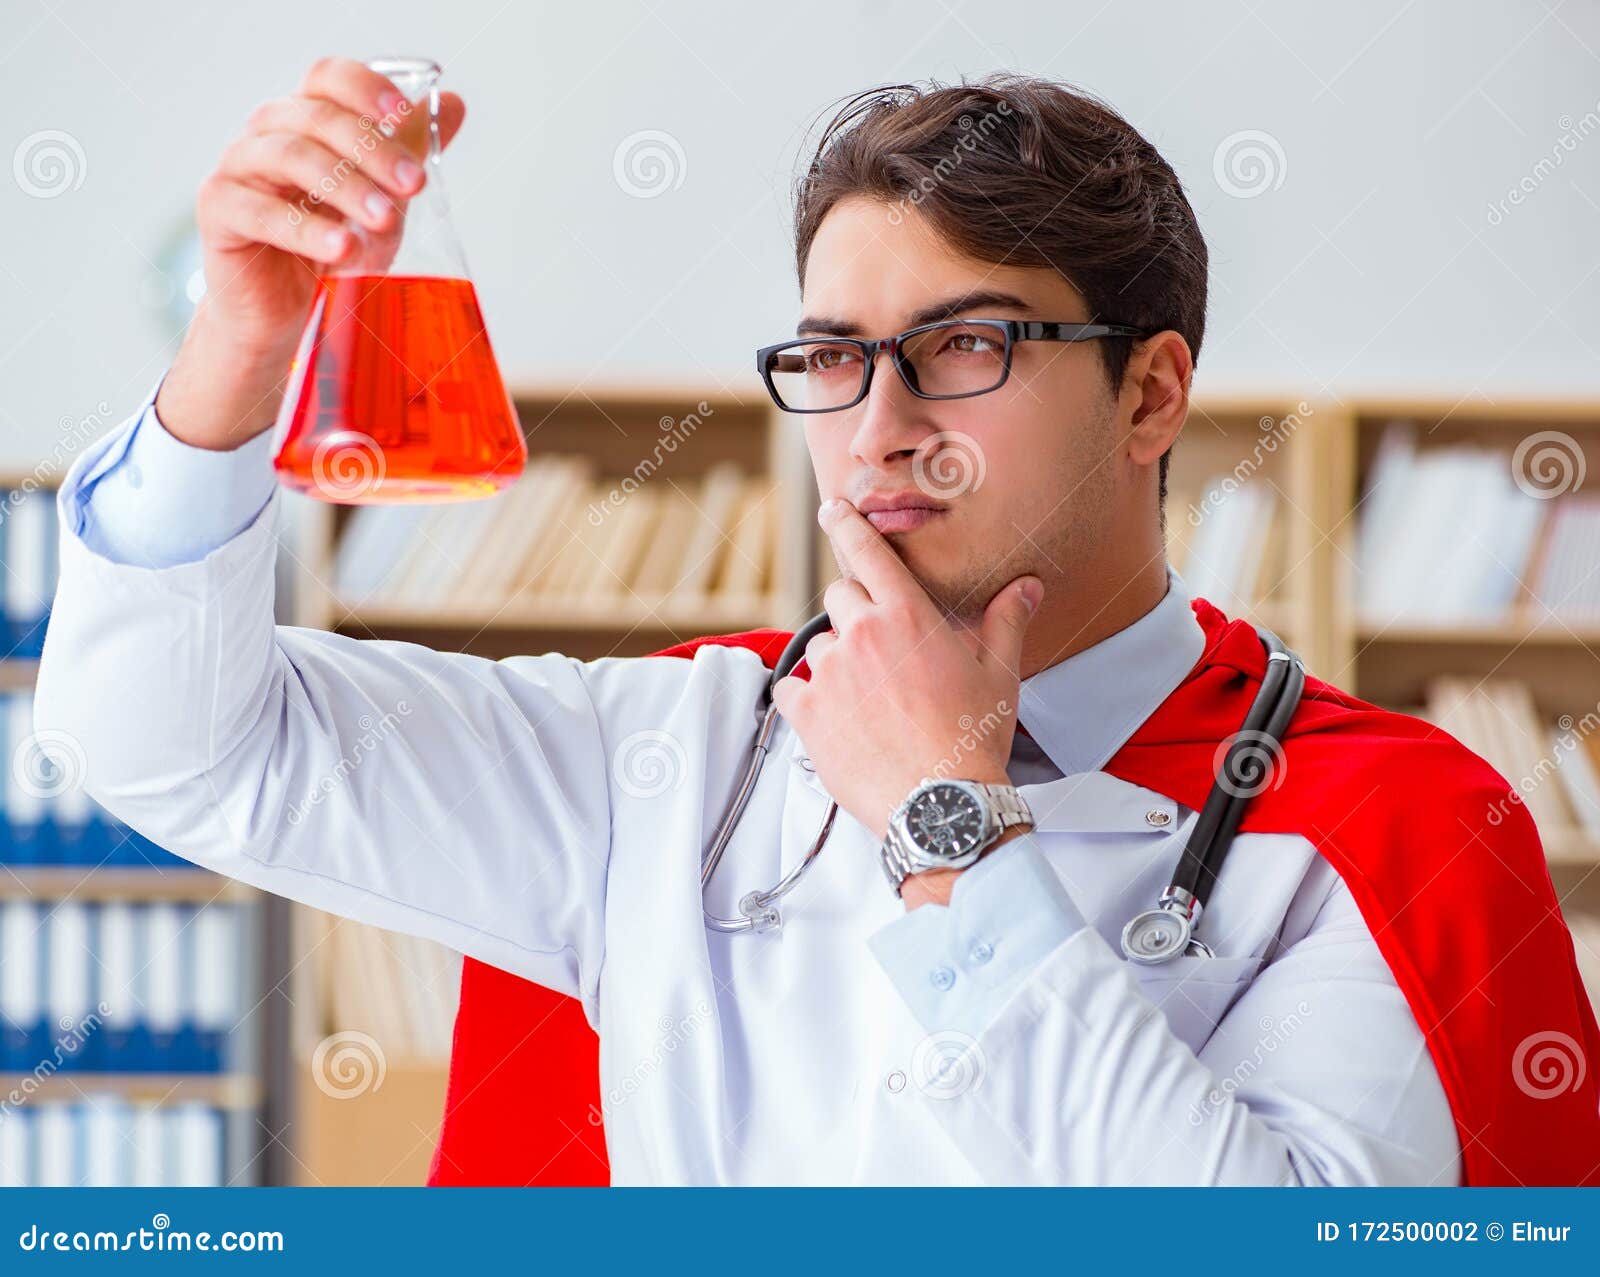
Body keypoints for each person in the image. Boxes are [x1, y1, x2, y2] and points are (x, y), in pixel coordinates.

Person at [35, 59, 1600, 1187]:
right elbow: (170, 741)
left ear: (1152, 390)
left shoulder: (1395, 823)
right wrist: (240, 348)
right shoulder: (670, 752)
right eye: (835, 355)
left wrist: (951, 831)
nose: (878, 424)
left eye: (964, 345)